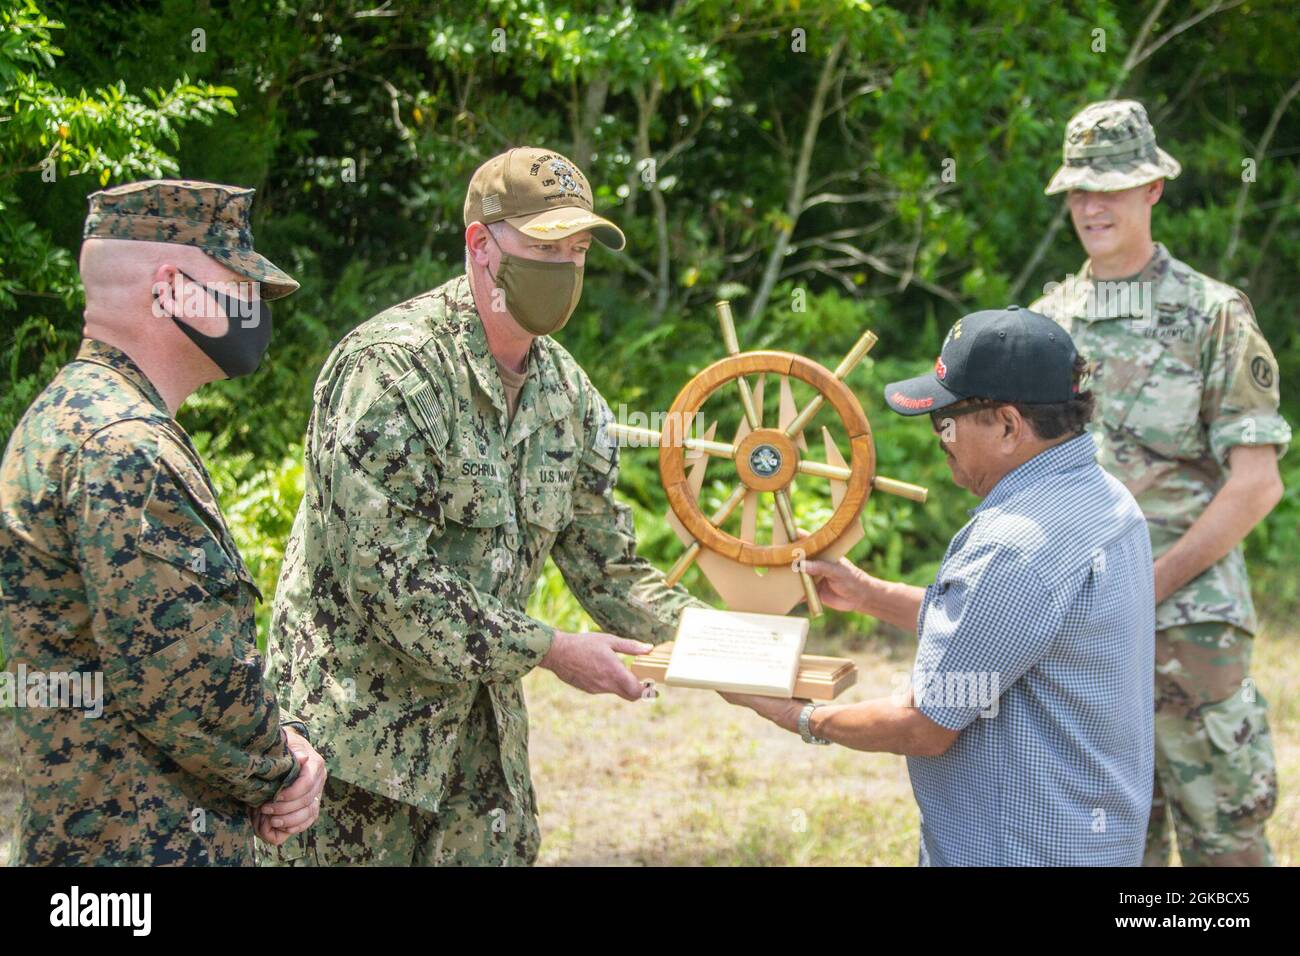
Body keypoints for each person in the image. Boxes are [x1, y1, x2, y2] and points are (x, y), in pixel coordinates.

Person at [262, 147, 702, 866]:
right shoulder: (392, 370)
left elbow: (608, 565)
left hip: (480, 765)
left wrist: (725, 655)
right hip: (354, 768)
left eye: (578, 250)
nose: (563, 267)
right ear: (479, 243)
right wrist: (552, 650)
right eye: (543, 246)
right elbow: (388, 585)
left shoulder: (566, 392)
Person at [723, 307, 1155, 866]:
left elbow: (925, 727)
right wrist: (869, 593)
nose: (939, 438)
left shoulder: (1013, 545)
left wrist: (795, 714)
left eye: (946, 420)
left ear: (1007, 424)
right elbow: (1009, 630)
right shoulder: (1106, 502)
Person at [0, 180, 326, 865]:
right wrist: (287, 767)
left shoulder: (68, 414)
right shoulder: (125, 446)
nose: (256, 308)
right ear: (173, 288)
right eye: (239, 284)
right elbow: (185, 683)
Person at [1030, 100, 1290, 866]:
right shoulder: (1046, 326)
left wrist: (1146, 583)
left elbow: (1255, 485)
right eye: (1079, 189)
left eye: (1111, 187)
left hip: (1191, 633)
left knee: (1224, 849)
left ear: (1153, 191)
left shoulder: (1213, 315)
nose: (1092, 205)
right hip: (1080, 634)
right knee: (1103, 846)